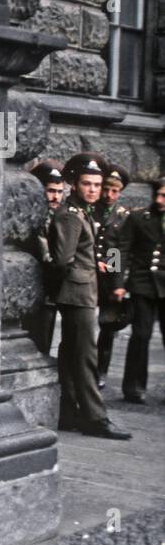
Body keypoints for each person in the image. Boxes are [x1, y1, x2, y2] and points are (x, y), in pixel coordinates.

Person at [48, 154, 132, 439]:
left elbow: (117, 250)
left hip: (102, 285)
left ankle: (71, 411)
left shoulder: (120, 216)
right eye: (93, 185)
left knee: (84, 348)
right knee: (85, 353)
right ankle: (94, 416)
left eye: (108, 188)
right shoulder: (79, 212)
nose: (101, 192)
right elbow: (65, 257)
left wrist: (117, 281)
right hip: (81, 289)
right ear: (76, 185)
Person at [113, 176, 165, 403]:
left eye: (164, 196)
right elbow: (118, 250)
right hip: (143, 284)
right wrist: (117, 283)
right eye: (158, 195)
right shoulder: (137, 217)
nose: (160, 200)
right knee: (141, 335)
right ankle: (134, 387)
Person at [93, 164, 132, 385]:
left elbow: (121, 248)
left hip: (108, 279)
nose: (108, 195)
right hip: (90, 276)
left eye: (114, 191)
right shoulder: (89, 209)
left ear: (120, 192)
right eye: (106, 189)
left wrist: (111, 267)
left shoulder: (123, 216)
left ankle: (101, 370)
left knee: (107, 327)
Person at [29, 159, 65, 354]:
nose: (56, 197)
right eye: (51, 191)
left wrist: (114, 274)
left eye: (60, 192)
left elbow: (116, 249)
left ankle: (99, 372)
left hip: (67, 285)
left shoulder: (122, 216)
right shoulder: (35, 215)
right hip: (41, 281)